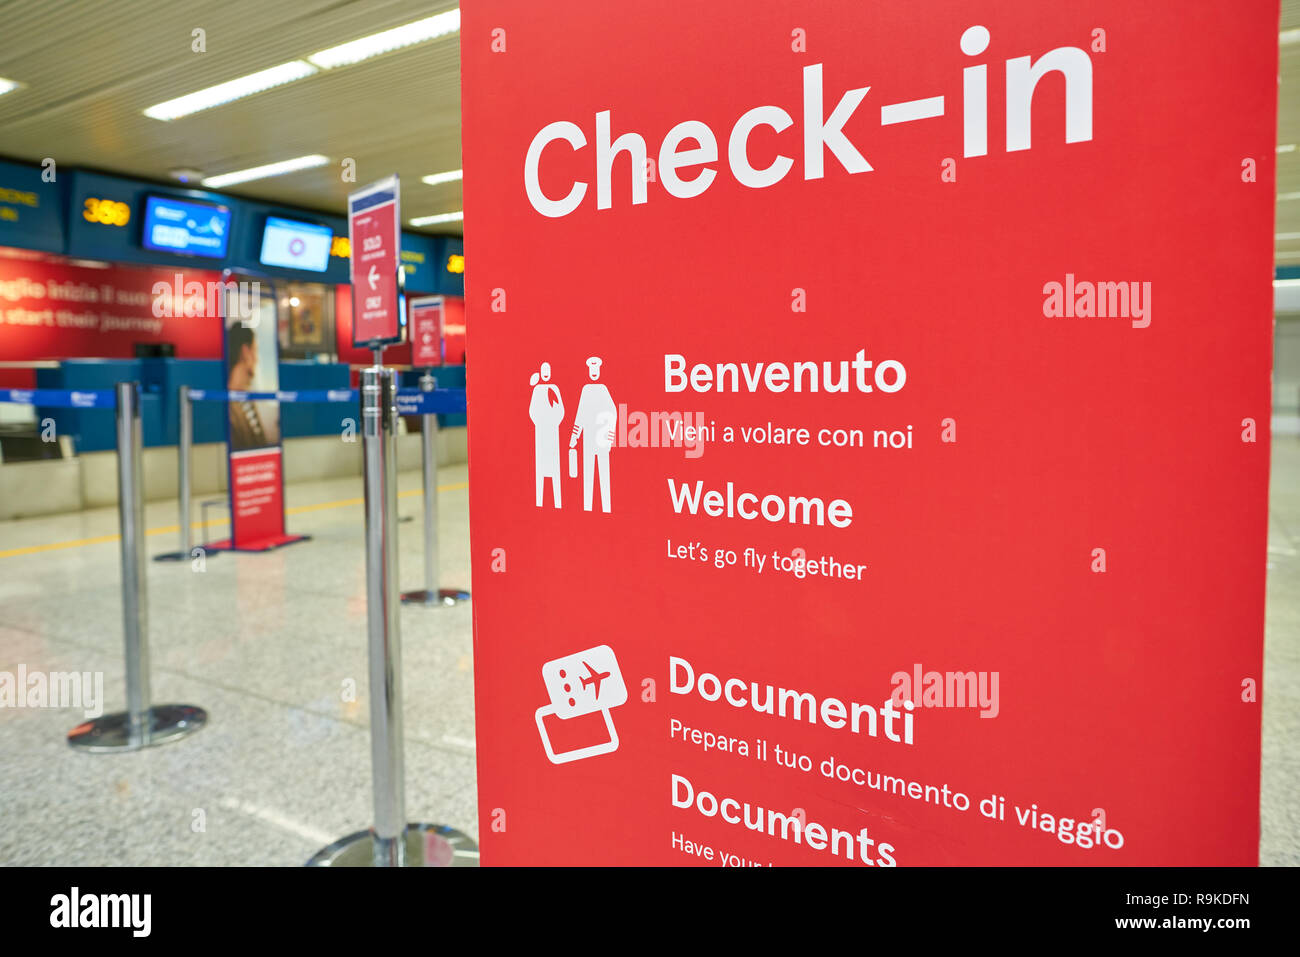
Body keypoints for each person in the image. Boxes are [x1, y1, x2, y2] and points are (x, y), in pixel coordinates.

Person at [570, 356, 616, 512]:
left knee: (604, 476)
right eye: (592, 369)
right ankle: (588, 509)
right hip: (588, 441)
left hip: (601, 441)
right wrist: (574, 437)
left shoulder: (603, 389)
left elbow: (613, 412)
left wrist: (609, 439)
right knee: (588, 476)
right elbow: (580, 416)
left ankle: (607, 508)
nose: (594, 372)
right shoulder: (586, 390)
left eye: (596, 369)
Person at [226, 323, 276, 451]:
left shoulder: (247, 399)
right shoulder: (228, 407)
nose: (257, 360)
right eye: (255, 350)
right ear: (246, 352)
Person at [529, 362, 564, 507]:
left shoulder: (554, 389)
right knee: (540, 469)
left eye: (548, 370)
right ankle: (540, 500)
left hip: (553, 433)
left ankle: (557, 500)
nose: (546, 373)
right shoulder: (537, 390)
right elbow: (532, 411)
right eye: (544, 370)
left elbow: (561, 410)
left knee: (555, 468)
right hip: (541, 433)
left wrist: (552, 422)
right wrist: (541, 423)